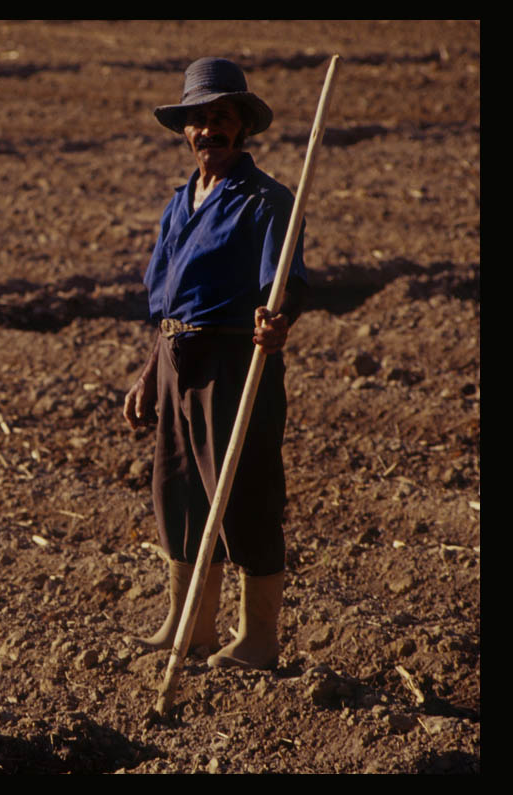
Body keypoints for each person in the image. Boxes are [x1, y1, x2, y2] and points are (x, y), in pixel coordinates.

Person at [122, 57, 310, 670]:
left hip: (233, 363)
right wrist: (151, 373)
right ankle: (191, 624)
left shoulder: (267, 201)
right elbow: (170, 302)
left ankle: (258, 639)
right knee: (178, 494)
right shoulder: (180, 202)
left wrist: (276, 322)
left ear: (242, 128)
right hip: (177, 360)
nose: (209, 131)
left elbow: (285, 286)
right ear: (186, 131)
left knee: (244, 494)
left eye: (221, 119)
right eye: (198, 121)